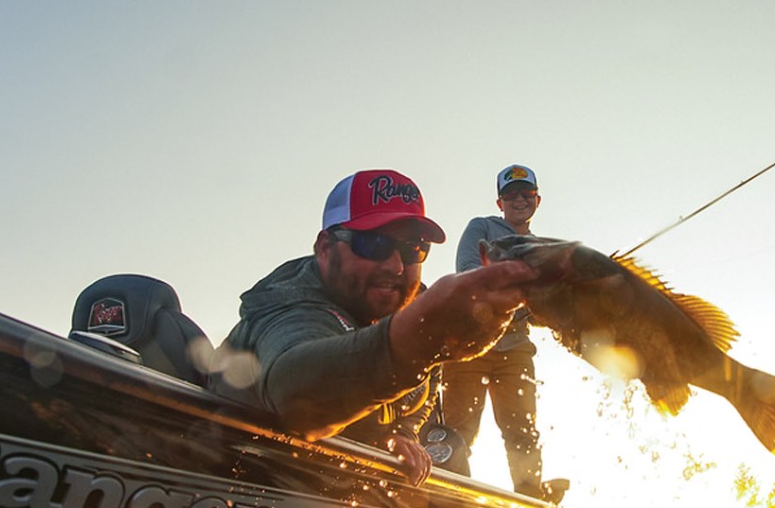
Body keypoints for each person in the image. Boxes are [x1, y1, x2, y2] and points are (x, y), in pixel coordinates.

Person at [212, 169, 534, 485]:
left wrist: (402, 432)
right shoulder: (290, 304)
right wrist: (421, 339)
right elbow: (295, 391)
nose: (395, 266)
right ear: (325, 248)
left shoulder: (409, 301)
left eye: (413, 248)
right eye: (373, 244)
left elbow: (426, 386)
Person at [437, 164, 563, 503]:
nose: (519, 199)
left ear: (538, 200)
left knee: (522, 430)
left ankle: (530, 495)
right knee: (461, 429)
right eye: (511, 195)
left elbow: (541, 314)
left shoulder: (543, 249)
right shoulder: (481, 227)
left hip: (516, 350)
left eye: (526, 193)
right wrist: (522, 293)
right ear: (500, 202)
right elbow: (468, 273)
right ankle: (450, 492)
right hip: (467, 344)